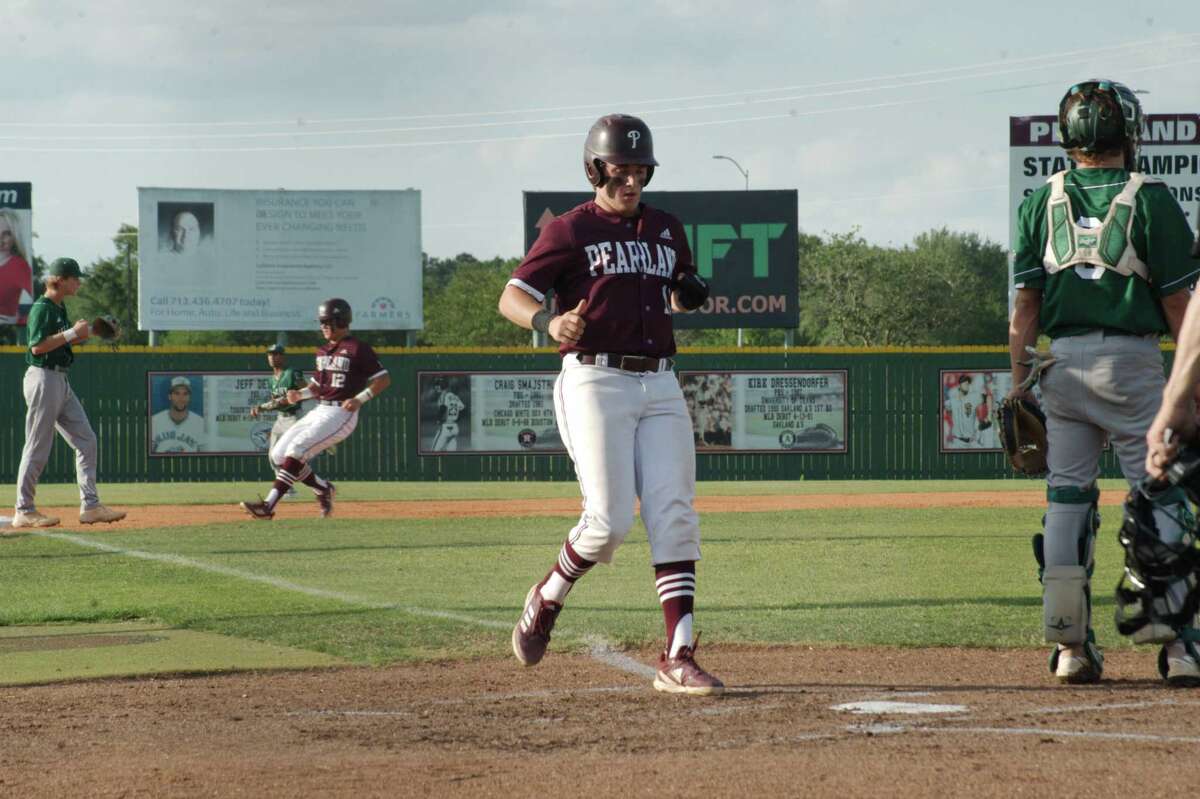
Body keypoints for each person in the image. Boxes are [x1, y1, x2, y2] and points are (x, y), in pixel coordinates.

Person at [498, 113, 722, 695]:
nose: (631, 181)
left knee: (674, 513)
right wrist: (548, 321)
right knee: (608, 523)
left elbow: (680, 288)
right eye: (620, 170)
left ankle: (679, 654)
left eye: (640, 170)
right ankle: (548, 596)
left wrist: (689, 291)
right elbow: (512, 296)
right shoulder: (570, 230)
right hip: (596, 378)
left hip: (661, 382)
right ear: (596, 168)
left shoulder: (667, 227)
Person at [1008, 79, 1199, 685]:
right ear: (1127, 135)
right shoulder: (1153, 199)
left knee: (1067, 498)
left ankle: (1070, 647)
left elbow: (1025, 309)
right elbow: (1179, 310)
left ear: (1069, 138)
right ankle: (1178, 648)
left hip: (1060, 364)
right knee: (1160, 493)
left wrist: (1018, 383)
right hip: (1131, 365)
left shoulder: (1041, 200)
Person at [240, 298, 389, 520]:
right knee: (279, 455)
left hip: (342, 413)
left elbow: (383, 379)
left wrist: (360, 399)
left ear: (341, 321)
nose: (323, 326)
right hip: (321, 409)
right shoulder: (322, 350)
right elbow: (318, 386)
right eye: (322, 322)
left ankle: (268, 506)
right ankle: (323, 488)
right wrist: (300, 394)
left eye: (328, 321)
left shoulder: (358, 348)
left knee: (297, 450)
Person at [12, 257, 126, 528]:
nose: (79, 281)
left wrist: (85, 333)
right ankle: (24, 509)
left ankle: (91, 506)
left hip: (60, 380)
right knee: (37, 445)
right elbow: (37, 347)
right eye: (75, 277)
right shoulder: (43, 307)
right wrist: (72, 334)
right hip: (43, 378)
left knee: (86, 440)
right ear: (60, 279)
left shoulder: (58, 308)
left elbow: (61, 342)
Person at [250, 344, 307, 496]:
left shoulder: (292, 373)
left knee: (292, 455)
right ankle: (288, 489)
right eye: (270, 354)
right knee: (273, 456)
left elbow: (306, 390)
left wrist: (292, 397)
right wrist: (261, 407)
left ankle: (317, 484)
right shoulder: (272, 380)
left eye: (276, 354)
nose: (272, 357)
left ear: (283, 356)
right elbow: (276, 403)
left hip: (295, 417)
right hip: (281, 419)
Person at [151, 376, 207, 453]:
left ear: (189, 397)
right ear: (170, 396)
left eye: (185, 394)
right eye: (177, 393)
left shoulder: (200, 423)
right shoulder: (155, 420)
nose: (181, 398)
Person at [0, 208, 33, 325]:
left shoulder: (19, 266)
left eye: (6, 234)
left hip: (6, 332)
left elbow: (42, 302)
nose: (0, 240)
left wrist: (21, 320)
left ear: (14, 236)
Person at [431, 383, 465, 452]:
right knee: (451, 453)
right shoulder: (456, 397)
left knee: (434, 451)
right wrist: (457, 419)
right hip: (455, 427)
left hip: (445, 427)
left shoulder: (445, 395)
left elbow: (443, 407)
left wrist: (438, 419)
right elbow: (463, 409)